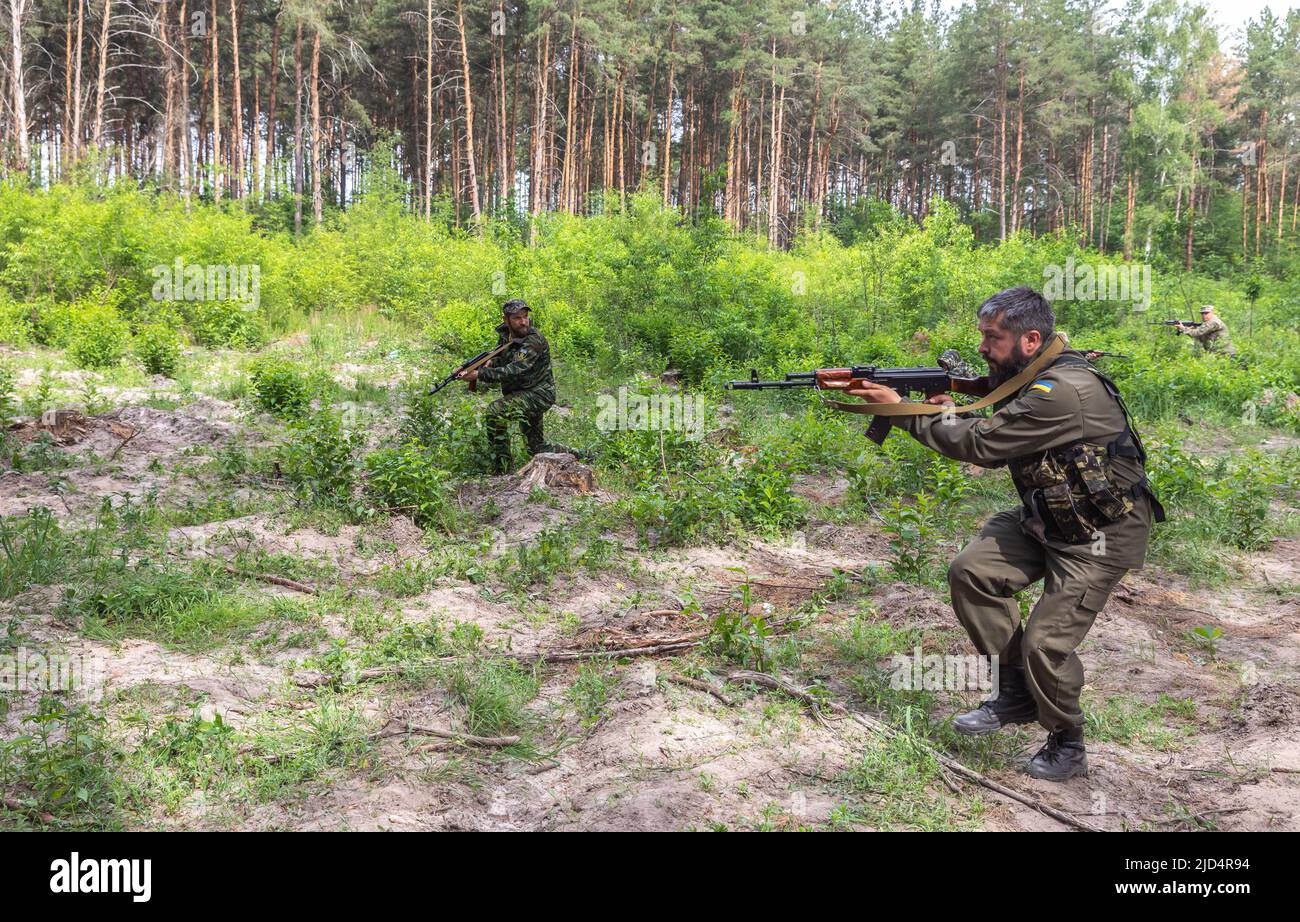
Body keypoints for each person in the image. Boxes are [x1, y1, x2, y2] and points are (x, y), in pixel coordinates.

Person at [834, 288, 1164, 782]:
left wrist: (901, 409)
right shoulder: (1031, 377)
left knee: (1045, 644)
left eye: (994, 338)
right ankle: (1014, 695)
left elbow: (982, 443)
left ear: (1031, 340)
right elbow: (990, 424)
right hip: (1048, 516)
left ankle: (1067, 741)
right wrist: (941, 407)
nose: (985, 348)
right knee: (973, 572)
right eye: (983, 336)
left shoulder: (1063, 391)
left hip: (1099, 532)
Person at [458, 299, 557, 475]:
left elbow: (515, 369)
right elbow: (504, 357)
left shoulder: (534, 339)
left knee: (495, 412)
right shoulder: (507, 334)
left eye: (525, 317)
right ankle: (583, 455)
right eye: (517, 318)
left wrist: (479, 375)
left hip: (539, 393)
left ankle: (501, 469)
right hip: (522, 392)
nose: (523, 321)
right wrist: (487, 363)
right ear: (506, 320)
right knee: (536, 447)